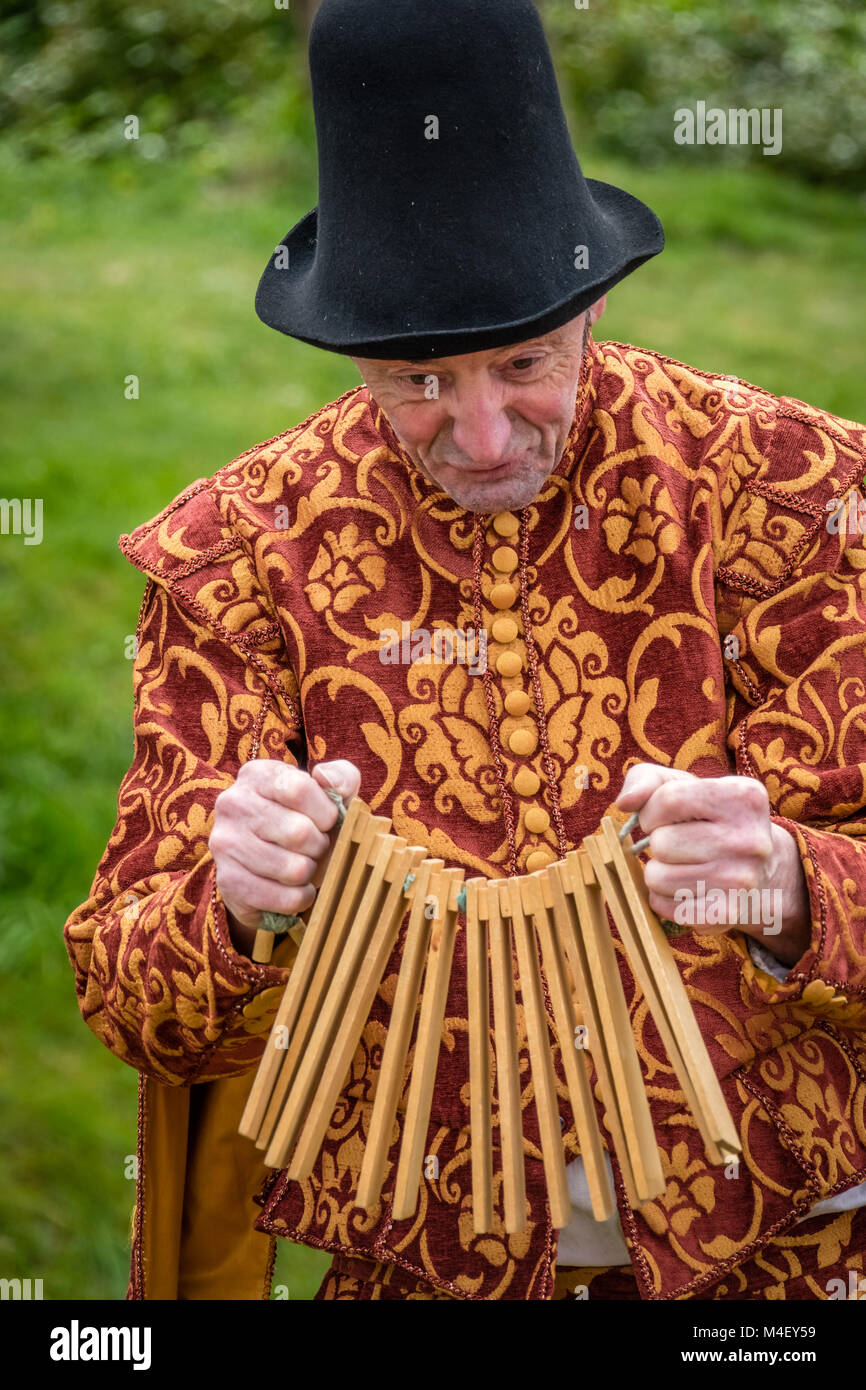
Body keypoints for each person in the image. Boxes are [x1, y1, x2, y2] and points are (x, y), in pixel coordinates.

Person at [64, 0, 866, 1301]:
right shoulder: (238, 551)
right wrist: (233, 904)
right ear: (350, 352)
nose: (482, 435)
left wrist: (785, 883)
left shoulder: (802, 494)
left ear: (589, 303)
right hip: (422, 1267)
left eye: (523, 362)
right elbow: (124, 990)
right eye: (418, 381)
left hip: (777, 1259)